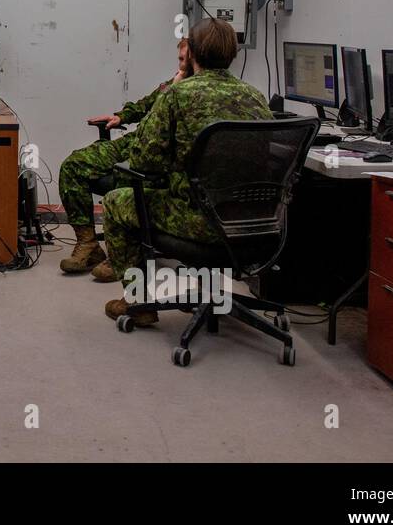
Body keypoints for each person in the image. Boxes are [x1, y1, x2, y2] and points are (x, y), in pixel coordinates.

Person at [99, 19, 271, 326]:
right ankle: (206, 293)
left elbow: (142, 161)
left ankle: (138, 303)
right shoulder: (256, 97)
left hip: (197, 223)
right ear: (233, 54)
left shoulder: (177, 95)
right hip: (255, 223)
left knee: (115, 201)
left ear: (192, 54)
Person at [57, 38, 189, 276]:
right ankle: (88, 245)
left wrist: (175, 87)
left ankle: (125, 255)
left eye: (186, 60)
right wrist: (121, 117)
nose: (181, 65)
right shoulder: (173, 82)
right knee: (73, 166)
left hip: (159, 155)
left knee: (128, 180)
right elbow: (146, 105)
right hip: (134, 142)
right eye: (179, 59)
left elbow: (162, 124)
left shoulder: (194, 92)